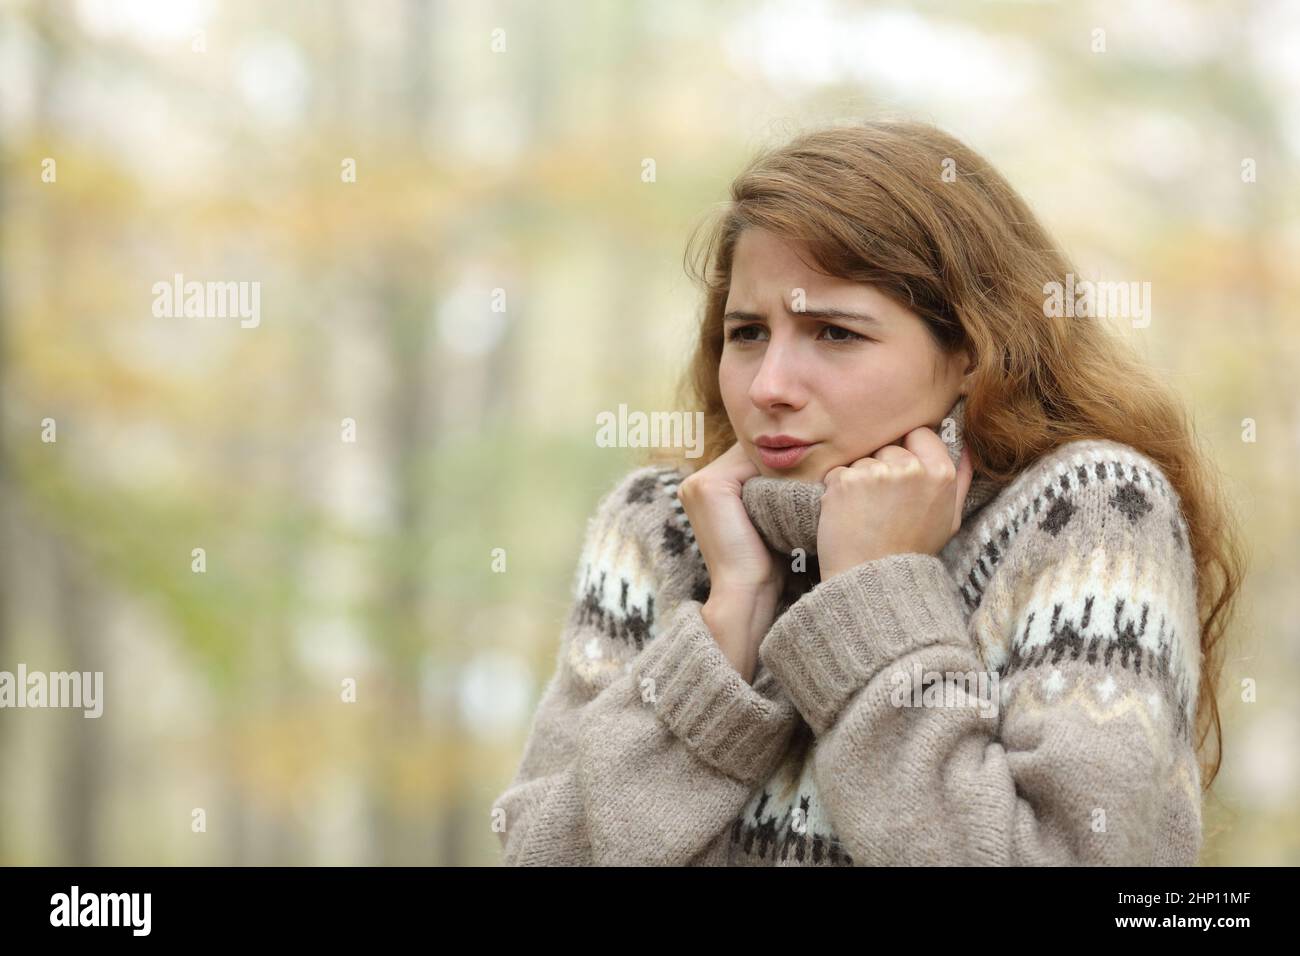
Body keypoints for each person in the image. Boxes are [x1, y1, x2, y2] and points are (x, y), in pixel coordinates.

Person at [493, 119, 1246, 866]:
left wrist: (873, 600)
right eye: (748, 332)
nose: (770, 387)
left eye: (835, 333)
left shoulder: (1088, 513)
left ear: (974, 354)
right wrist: (727, 624)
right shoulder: (661, 525)